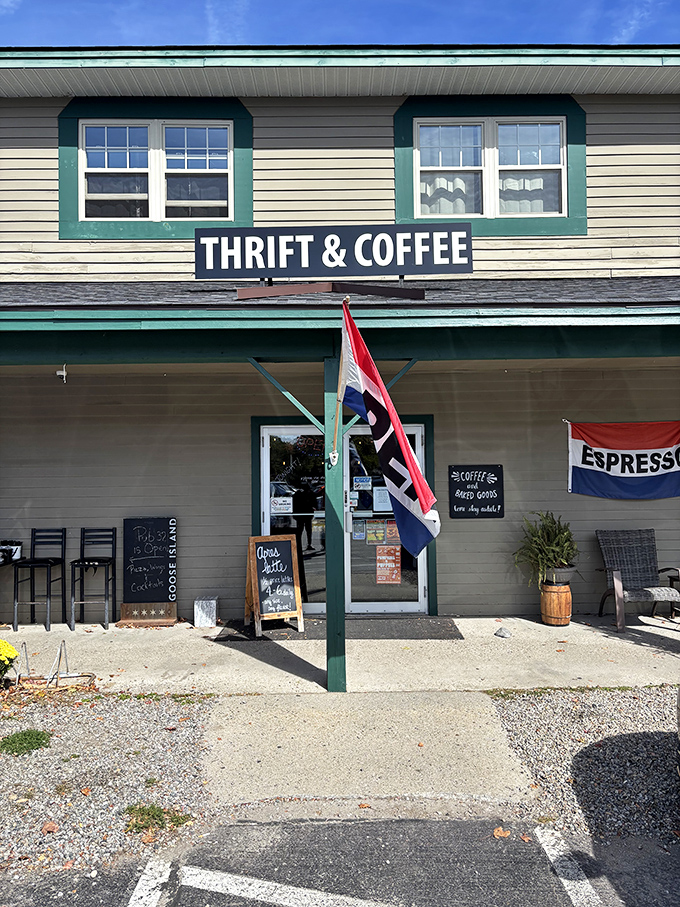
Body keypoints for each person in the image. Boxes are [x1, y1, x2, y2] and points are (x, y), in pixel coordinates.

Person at [293, 482, 318, 550]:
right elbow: (314, 503)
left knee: (302, 530)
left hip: (303, 514)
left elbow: (294, 504)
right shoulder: (308, 493)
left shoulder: (298, 493)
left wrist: (294, 514)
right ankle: (307, 544)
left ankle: (301, 544)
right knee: (305, 530)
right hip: (305, 514)